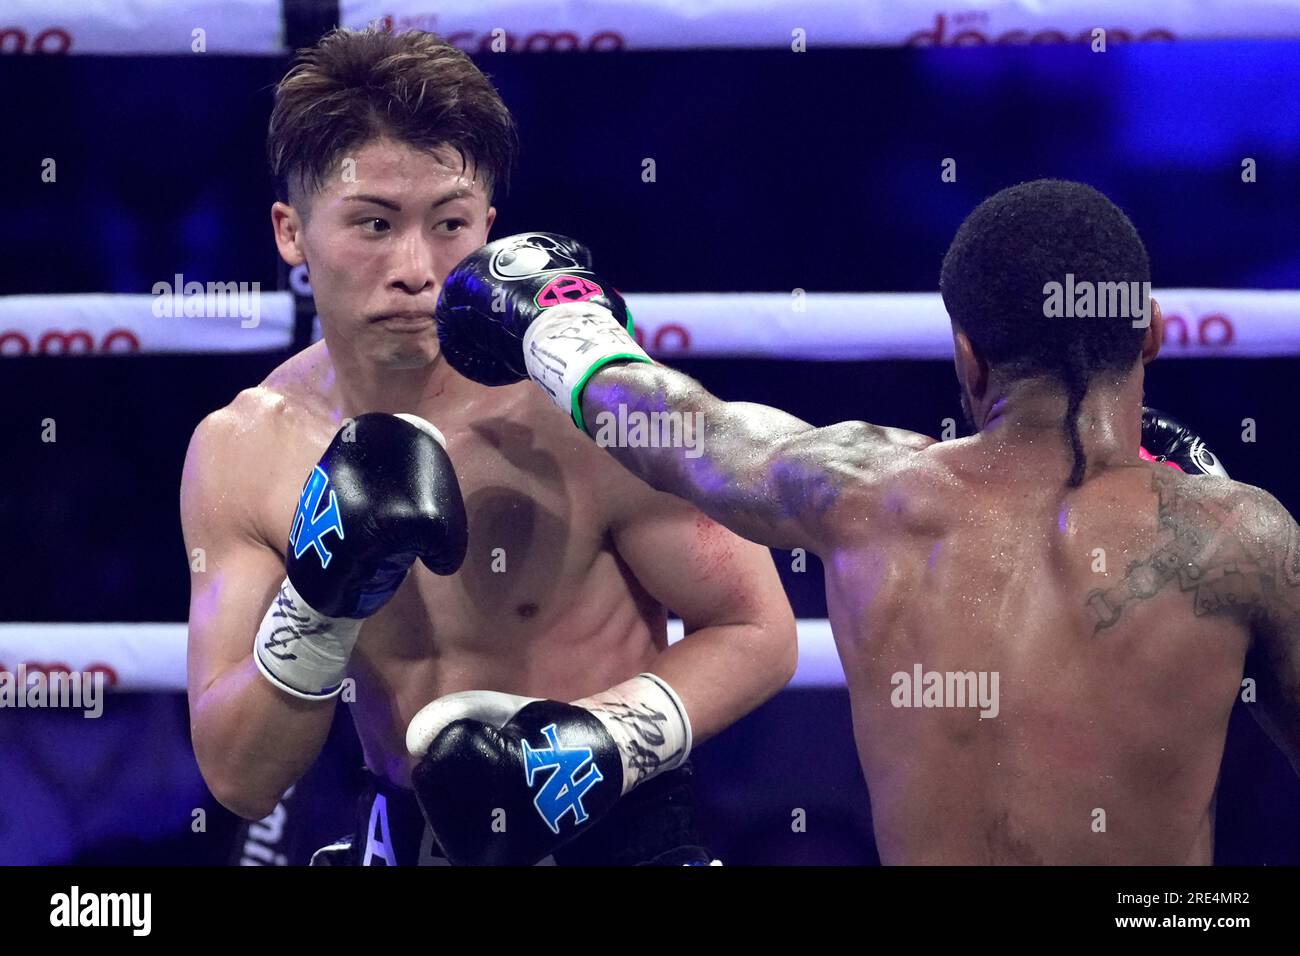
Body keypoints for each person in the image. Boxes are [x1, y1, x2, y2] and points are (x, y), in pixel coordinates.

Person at [431, 180, 1300, 864]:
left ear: (968, 351)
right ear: (1148, 333)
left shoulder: (865, 495)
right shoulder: (1239, 540)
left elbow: (689, 435)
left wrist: (562, 321)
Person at [181, 25, 797, 867]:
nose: (416, 267)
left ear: (490, 228)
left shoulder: (584, 405)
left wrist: (595, 746)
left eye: (448, 224)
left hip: (617, 838)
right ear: (292, 234)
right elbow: (238, 774)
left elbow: (758, 629)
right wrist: (317, 606)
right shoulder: (245, 450)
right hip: (401, 841)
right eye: (373, 223)